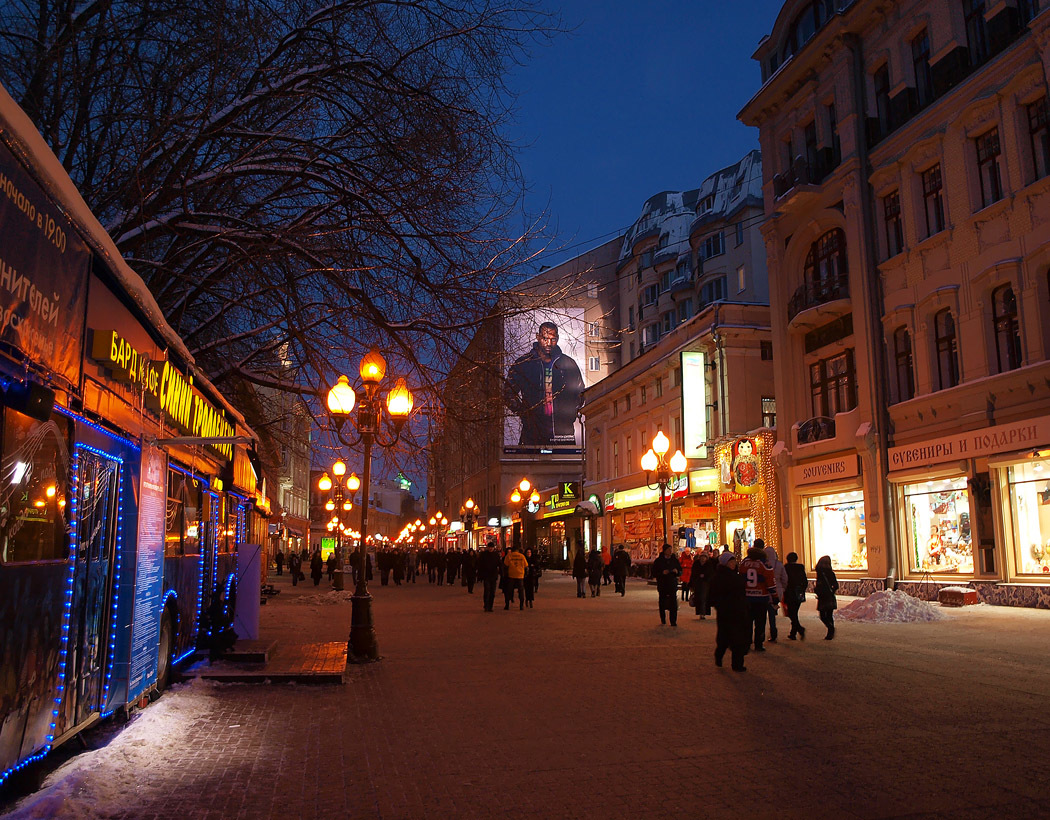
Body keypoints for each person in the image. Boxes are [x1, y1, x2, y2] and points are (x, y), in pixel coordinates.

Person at [503, 320, 585, 447]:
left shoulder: (568, 364)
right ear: (538, 337)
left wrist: (569, 414)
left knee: (566, 460)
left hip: (563, 435)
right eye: (545, 339)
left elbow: (581, 393)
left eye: (553, 339)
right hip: (533, 434)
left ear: (557, 339)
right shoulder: (524, 363)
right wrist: (524, 413)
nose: (549, 343)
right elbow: (508, 393)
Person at [710, 552, 750, 671]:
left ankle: (736, 664)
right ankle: (720, 655)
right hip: (728, 611)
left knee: (735, 637)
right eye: (731, 562)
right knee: (727, 636)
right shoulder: (720, 577)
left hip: (736, 610)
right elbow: (713, 595)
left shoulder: (734, 576)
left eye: (734, 562)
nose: (733, 564)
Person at [739, 544, 778, 652]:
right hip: (761, 598)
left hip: (747, 597)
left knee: (747, 622)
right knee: (760, 622)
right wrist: (775, 597)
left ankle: (747, 642)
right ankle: (758, 643)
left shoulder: (744, 563)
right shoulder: (764, 564)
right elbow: (770, 583)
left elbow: (741, 579)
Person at [761, 540, 788, 643]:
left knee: (762, 615)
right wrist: (782, 588)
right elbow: (784, 578)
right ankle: (773, 633)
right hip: (777, 591)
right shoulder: (779, 564)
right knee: (772, 615)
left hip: (765, 591)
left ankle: (761, 634)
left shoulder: (763, 564)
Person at [651, 543, 682, 626]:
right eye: (668, 550)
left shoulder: (674, 560)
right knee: (662, 602)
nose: (670, 551)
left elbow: (680, 570)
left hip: (672, 584)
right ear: (664, 551)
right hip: (663, 584)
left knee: (673, 603)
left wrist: (677, 572)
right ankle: (663, 619)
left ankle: (673, 621)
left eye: (671, 550)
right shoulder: (659, 561)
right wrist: (662, 573)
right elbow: (654, 572)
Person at [784, 552, 808, 640]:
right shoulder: (800, 568)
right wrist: (802, 590)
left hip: (789, 592)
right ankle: (793, 633)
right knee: (794, 612)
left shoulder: (786, 568)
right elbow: (805, 581)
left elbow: (784, 580)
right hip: (798, 592)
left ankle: (800, 629)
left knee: (791, 613)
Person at [815, 555, 839, 639]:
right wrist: (832, 591)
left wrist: (818, 590)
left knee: (823, 615)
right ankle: (830, 631)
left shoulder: (821, 573)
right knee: (829, 615)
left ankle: (830, 629)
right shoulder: (830, 573)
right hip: (829, 596)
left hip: (823, 597)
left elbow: (819, 585)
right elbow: (836, 585)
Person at [478, 541, 501, 612]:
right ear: (487, 548)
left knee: (492, 592)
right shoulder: (484, 555)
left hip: (493, 575)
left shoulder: (496, 555)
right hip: (486, 575)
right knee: (487, 590)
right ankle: (486, 605)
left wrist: (501, 572)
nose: (491, 548)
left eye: (492, 547)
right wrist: (480, 575)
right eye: (489, 547)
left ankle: (490, 606)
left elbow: (499, 564)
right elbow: (480, 565)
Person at [690, 551, 713, 619]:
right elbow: (693, 574)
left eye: (704, 557)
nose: (703, 558)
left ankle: (703, 613)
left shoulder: (709, 564)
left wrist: (705, 576)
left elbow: (711, 574)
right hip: (697, 583)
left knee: (704, 598)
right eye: (702, 557)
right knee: (698, 598)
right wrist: (691, 583)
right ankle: (700, 612)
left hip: (706, 583)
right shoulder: (696, 564)